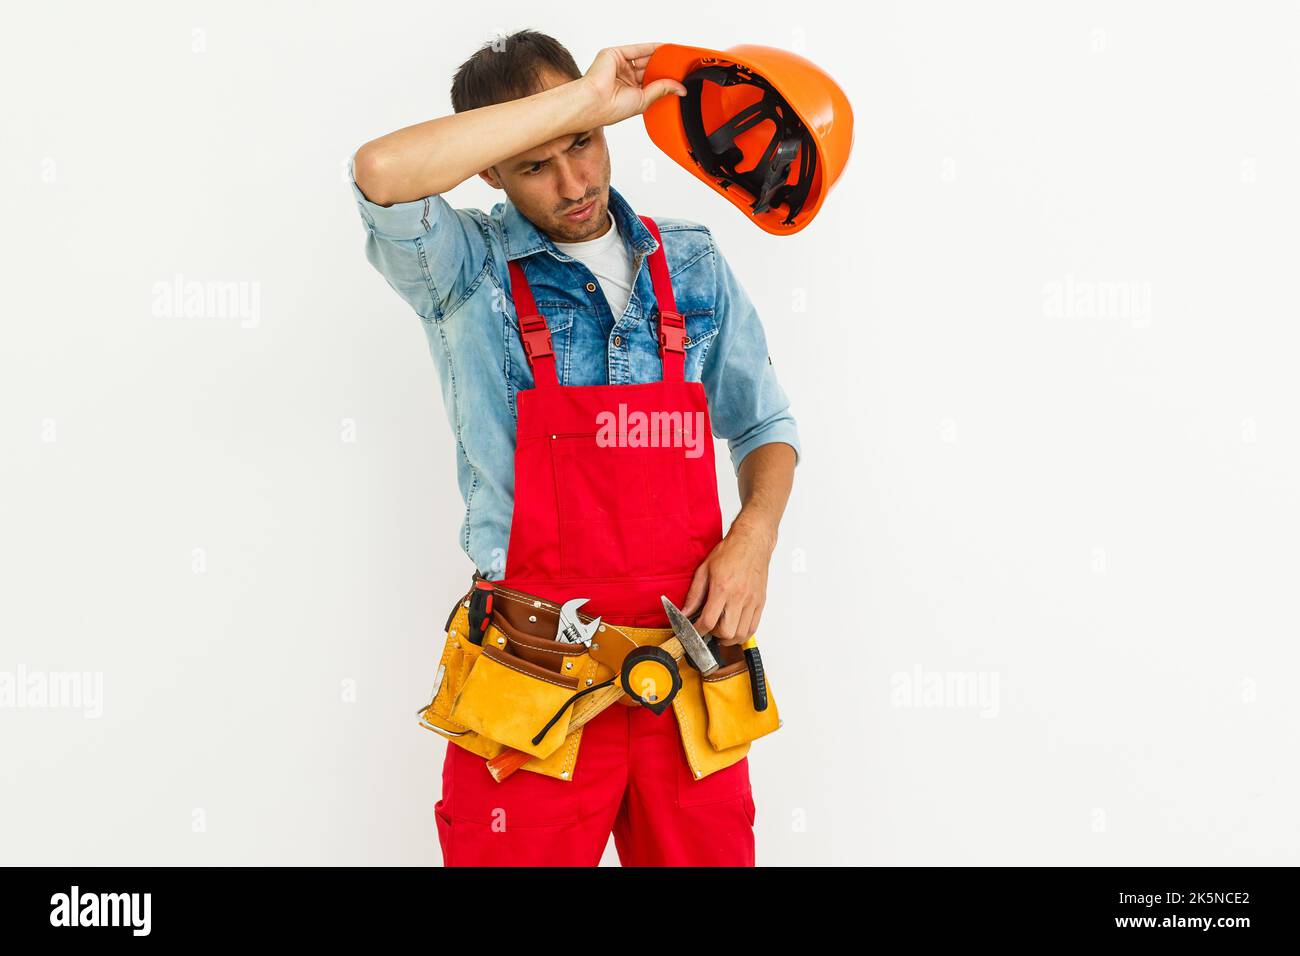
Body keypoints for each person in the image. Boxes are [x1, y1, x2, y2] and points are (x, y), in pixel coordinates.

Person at [349, 29, 799, 866]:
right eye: (534, 161)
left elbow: (765, 426)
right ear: (490, 168)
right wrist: (580, 101)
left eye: (586, 146)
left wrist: (755, 538)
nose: (574, 182)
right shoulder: (466, 270)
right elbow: (379, 172)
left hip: (688, 682)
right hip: (532, 684)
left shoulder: (692, 262)